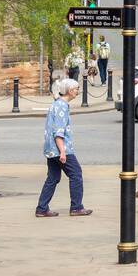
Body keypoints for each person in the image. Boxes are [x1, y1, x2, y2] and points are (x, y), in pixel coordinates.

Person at [36, 78, 92, 217]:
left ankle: (42, 208)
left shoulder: (57, 104)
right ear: (70, 91)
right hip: (60, 148)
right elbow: (58, 131)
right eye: (76, 89)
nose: (78, 92)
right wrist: (62, 151)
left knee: (53, 178)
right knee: (76, 174)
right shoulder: (61, 106)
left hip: (50, 149)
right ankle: (76, 207)